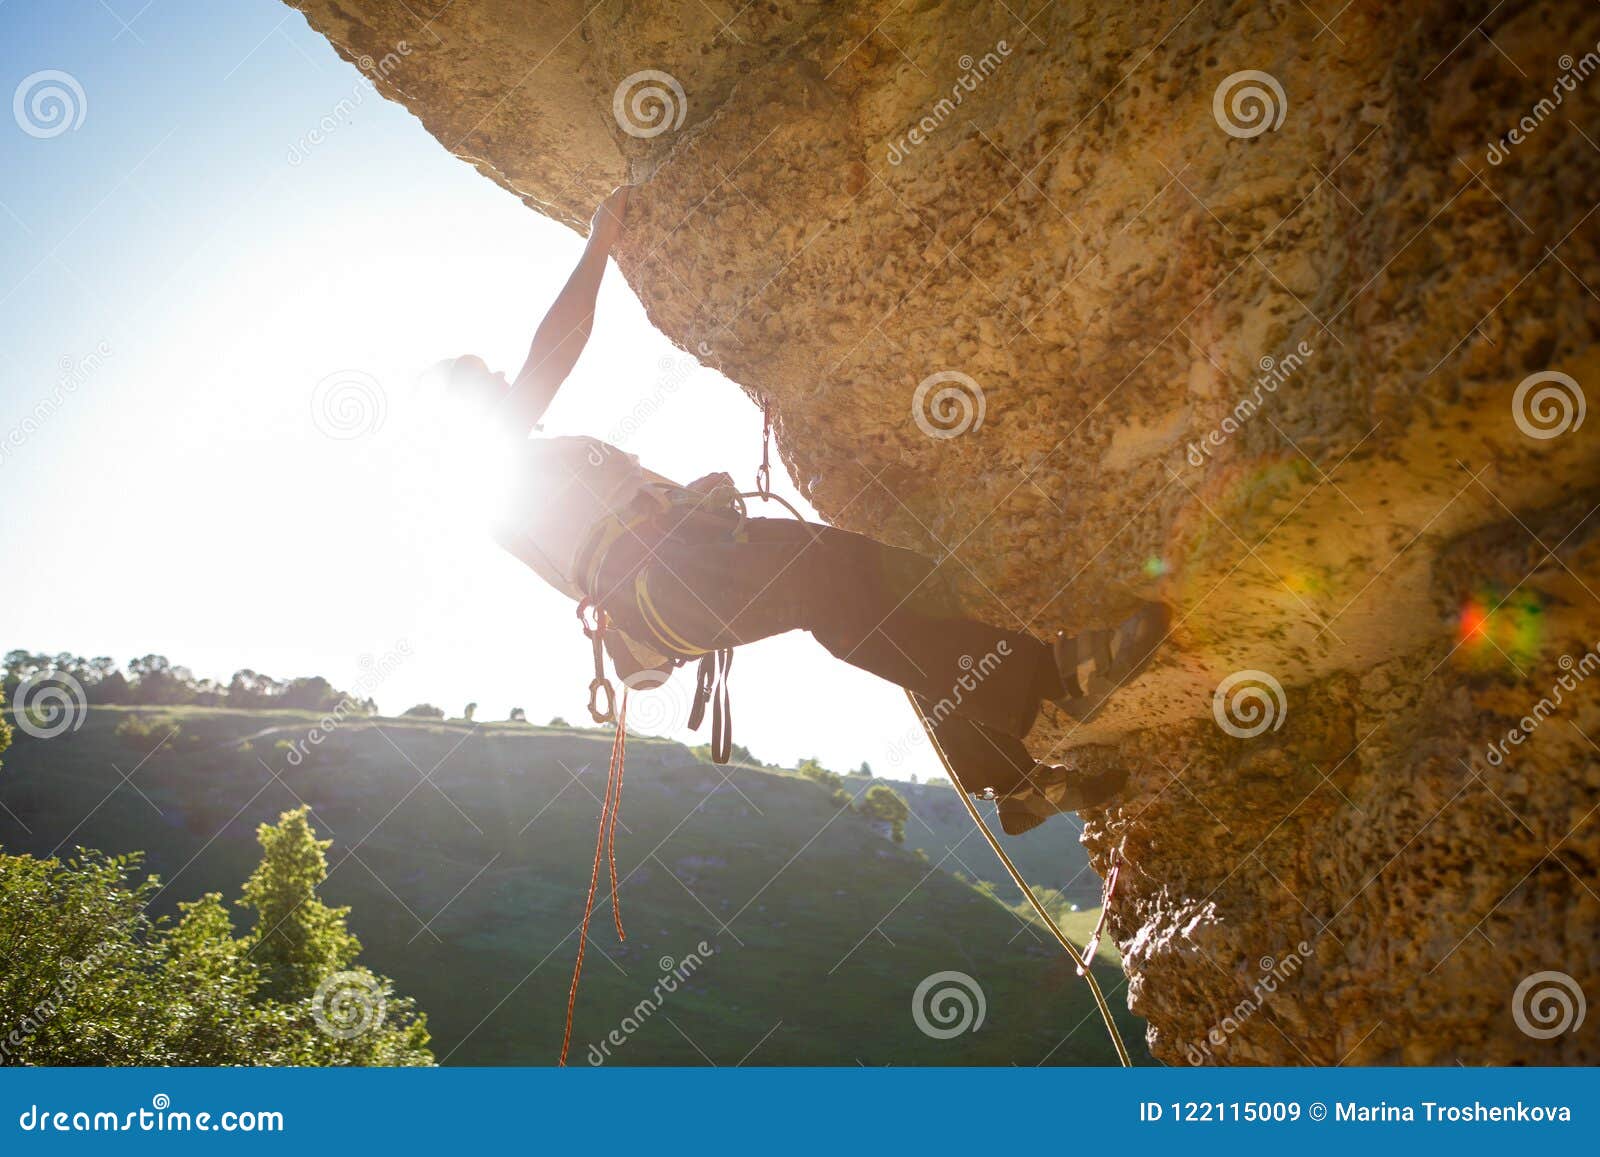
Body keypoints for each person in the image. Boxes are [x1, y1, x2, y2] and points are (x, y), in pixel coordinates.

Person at [443, 188, 1168, 834]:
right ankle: (1051, 677)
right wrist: (601, 238)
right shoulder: (490, 462)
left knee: (871, 587)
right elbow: (556, 349)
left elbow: (622, 501)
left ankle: (1012, 780)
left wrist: (694, 493)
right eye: (486, 379)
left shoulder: (530, 471)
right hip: (665, 580)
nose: (504, 378)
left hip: (674, 573)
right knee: (833, 581)